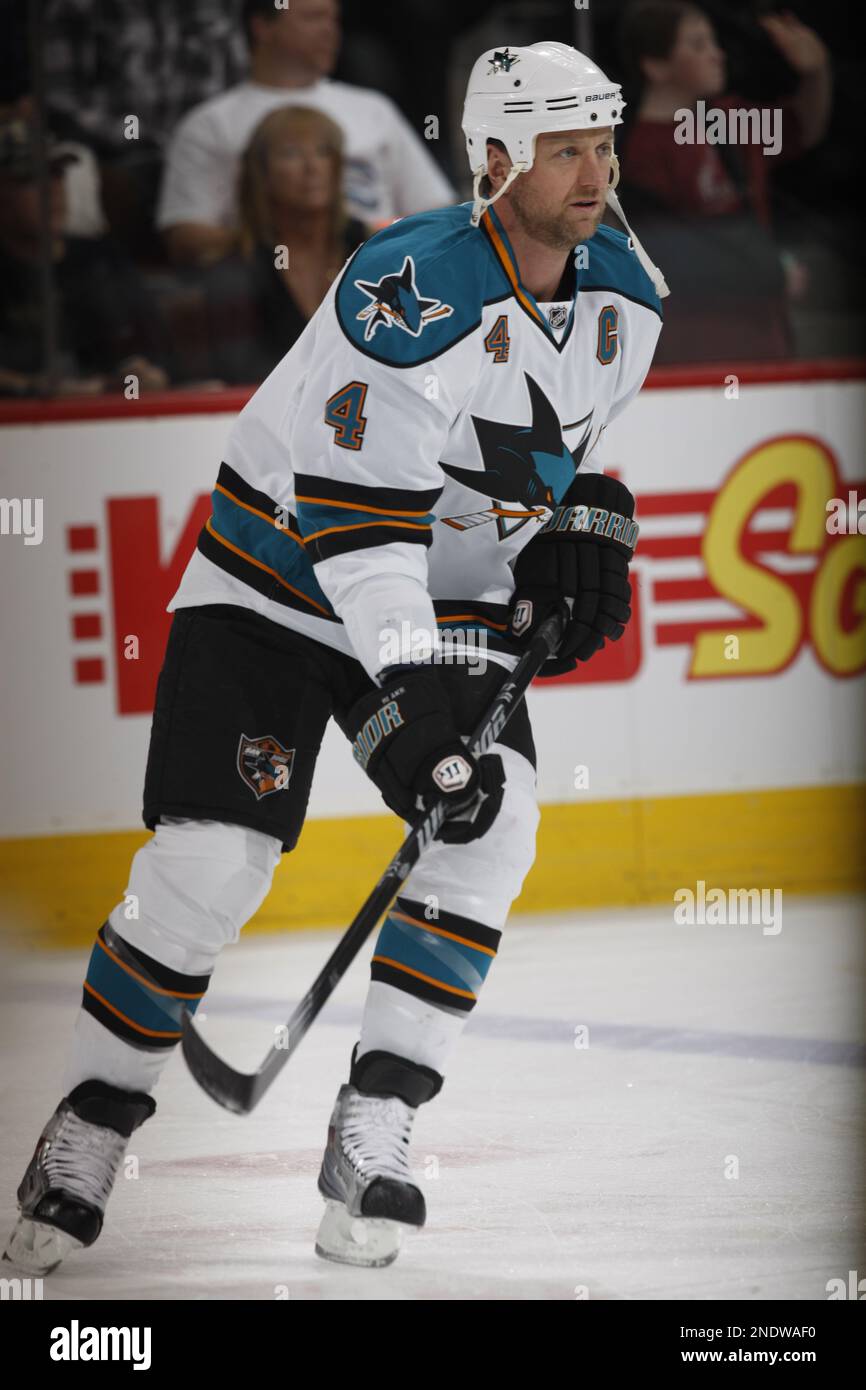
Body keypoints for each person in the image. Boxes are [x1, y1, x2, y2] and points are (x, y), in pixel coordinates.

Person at [4, 41, 664, 1273]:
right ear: (495, 158)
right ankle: (89, 1121)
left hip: (434, 604)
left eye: (601, 140)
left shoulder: (627, 292)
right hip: (274, 585)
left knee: (496, 821)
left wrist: (588, 520)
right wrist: (412, 687)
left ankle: (379, 1123)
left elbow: (551, 453)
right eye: (565, 146)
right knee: (211, 863)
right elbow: (358, 528)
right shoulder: (400, 286)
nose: (594, 170)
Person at [157, 0, 456, 267]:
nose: (330, 30)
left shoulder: (373, 108)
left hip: (381, 272)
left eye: (334, 19)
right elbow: (185, 236)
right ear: (262, 27)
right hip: (269, 291)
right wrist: (291, 250)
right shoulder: (210, 123)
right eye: (314, 18)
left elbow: (437, 213)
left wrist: (369, 239)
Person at [617, 0, 832, 362]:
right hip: (686, 353)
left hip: (765, 345)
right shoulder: (628, 152)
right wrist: (766, 269)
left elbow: (803, 128)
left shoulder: (730, 121)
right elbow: (665, 256)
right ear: (655, 65)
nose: (717, 55)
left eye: (714, 43)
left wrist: (816, 72)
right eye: (698, 44)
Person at [42, 0, 248, 258]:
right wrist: (147, 140)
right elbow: (63, 100)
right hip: (125, 153)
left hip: (213, 150)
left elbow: (243, 86)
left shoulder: (222, 7)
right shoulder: (80, 7)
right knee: (123, 183)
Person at [195, 105, 369, 384]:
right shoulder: (235, 271)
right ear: (261, 173)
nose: (312, 167)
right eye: (291, 153)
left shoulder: (372, 250)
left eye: (323, 152)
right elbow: (241, 380)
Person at [0, 119, 168, 397]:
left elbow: (152, 352)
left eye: (57, 173)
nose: (52, 189)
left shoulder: (103, 262)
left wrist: (142, 374)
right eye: (31, 179)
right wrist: (31, 388)